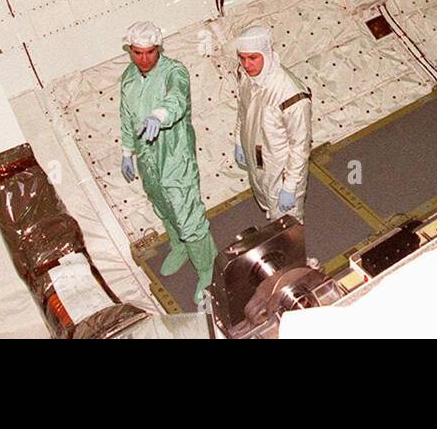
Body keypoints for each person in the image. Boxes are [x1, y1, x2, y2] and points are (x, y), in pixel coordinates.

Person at [118, 21, 216, 303]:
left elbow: (177, 98)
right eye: (137, 52)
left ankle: (207, 267)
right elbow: (126, 116)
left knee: (187, 211)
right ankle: (179, 246)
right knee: (161, 202)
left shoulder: (174, 71)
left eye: (149, 52)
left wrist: (158, 115)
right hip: (147, 155)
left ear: (159, 48)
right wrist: (127, 152)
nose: (144, 59)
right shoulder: (129, 78)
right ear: (130, 50)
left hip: (175, 155)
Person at [233, 25, 313, 223]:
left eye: (253, 58)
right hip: (258, 162)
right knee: (270, 207)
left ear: (266, 54)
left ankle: (296, 253)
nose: (247, 64)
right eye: (242, 58)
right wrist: (238, 140)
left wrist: (290, 185)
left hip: (281, 169)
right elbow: (243, 111)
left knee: (288, 222)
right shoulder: (247, 76)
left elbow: (300, 145)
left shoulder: (291, 94)